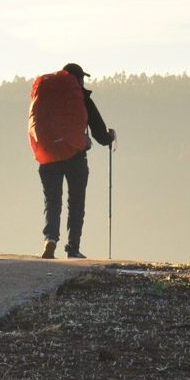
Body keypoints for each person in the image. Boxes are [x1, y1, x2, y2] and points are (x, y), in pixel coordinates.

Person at [33, 63, 116, 259]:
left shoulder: (45, 96)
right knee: (76, 202)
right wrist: (109, 137)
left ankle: (50, 239)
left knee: (52, 201)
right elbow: (98, 131)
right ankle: (73, 248)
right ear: (77, 79)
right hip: (75, 157)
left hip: (48, 156)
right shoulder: (80, 98)